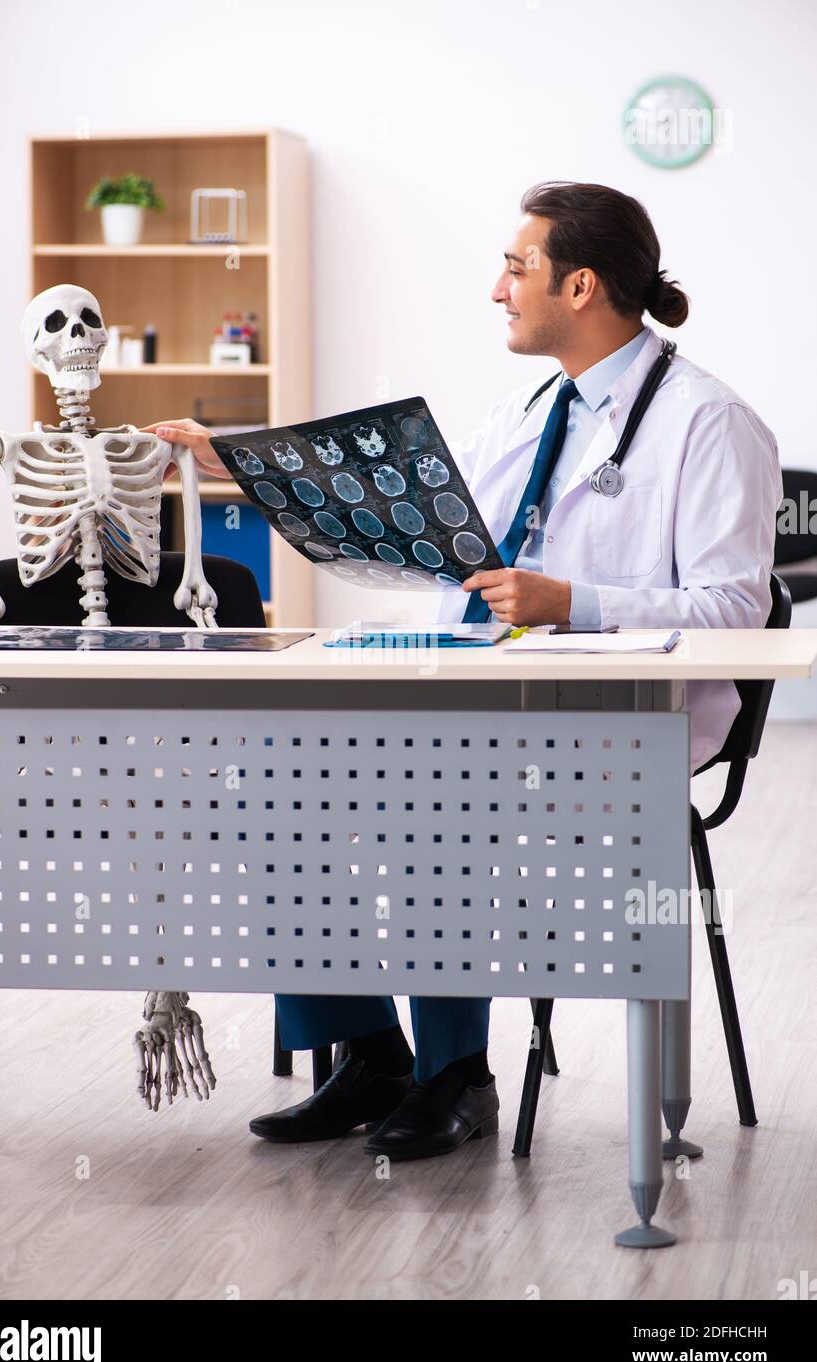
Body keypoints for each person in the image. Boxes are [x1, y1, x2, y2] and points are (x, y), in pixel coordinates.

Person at [144, 181, 781, 1163]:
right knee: (274, 770)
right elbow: (394, 503)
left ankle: (457, 1076)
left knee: (434, 776)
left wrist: (573, 600)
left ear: (581, 285)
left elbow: (737, 610)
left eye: (516, 267)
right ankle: (374, 1057)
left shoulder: (709, 424)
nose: (498, 289)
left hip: (621, 728)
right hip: (477, 692)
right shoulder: (534, 410)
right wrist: (224, 458)